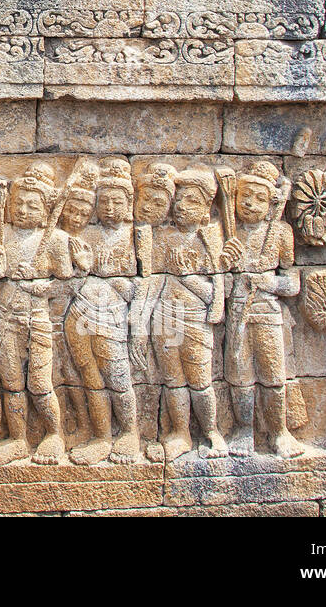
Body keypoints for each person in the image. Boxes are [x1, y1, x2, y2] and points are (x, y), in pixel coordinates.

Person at [0, 162, 72, 466]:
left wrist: (39, 284)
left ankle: (54, 434)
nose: (23, 209)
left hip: (38, 321)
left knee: (41, 384)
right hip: (6, 318)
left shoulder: (55, 240)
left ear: (46, 209)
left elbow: (66, 285)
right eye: (18, 202)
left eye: (33, 205)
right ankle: (18, 439)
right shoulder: (2, 234)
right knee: (12, 383)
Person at [221, 162, 305, 459]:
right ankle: (244, 429)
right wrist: (226, 269)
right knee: (239, 374)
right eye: (245, 195)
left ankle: (279, 431)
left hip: (268, 312)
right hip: (238, 311)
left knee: (273, 374)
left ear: (270, 203)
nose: (250, 203)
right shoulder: (228, 231)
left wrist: (269, 282)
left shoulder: (280, 233)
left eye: (259, 198)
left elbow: (292, 284)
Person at [151, 166, 236, 460]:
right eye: (179, 200)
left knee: (200, 380)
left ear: (205, 210)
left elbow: (217, 294)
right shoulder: (164, 237)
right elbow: (154, 282)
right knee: (173, 379)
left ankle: (211, 431)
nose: (181, 206)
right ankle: (180, 432)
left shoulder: (210, 239)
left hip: (196, 319)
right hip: (165, 317)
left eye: (192, 201)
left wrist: (187, 277)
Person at [65, 159, 142, 465]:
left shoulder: (135, 234)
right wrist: (84, 270)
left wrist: (109, 274)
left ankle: (130, 432)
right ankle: (101, 436)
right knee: (91, 378)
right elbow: (70, 278)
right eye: (104, 201)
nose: (109, 208)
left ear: (129, 204)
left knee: (118, 377)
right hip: (80, 315)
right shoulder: (88, 233)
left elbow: (141, 289)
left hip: (112, 317)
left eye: (117, 201)